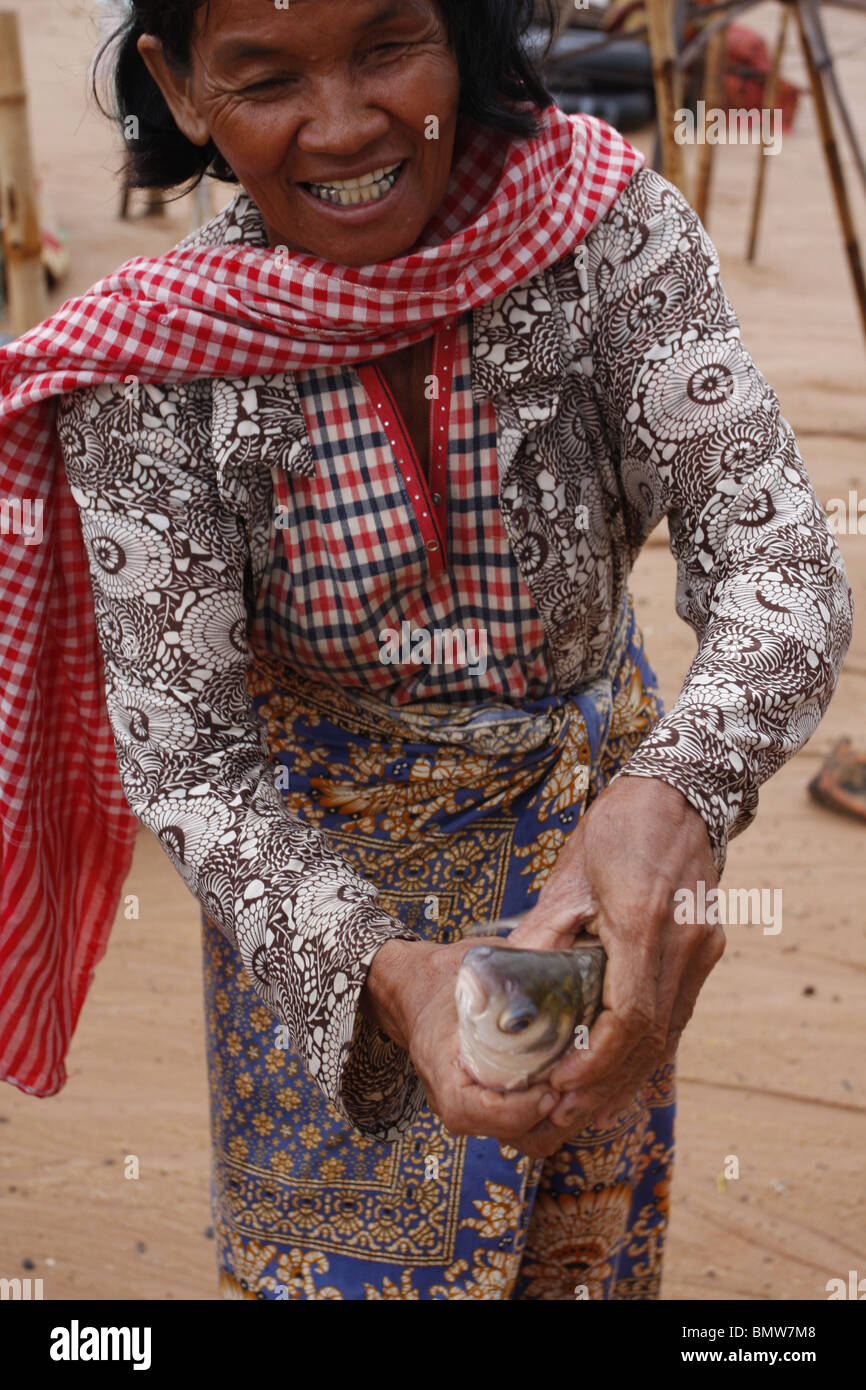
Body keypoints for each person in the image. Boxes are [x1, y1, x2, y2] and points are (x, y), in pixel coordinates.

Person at [0, 0, 852, 1300]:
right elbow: (187, 762)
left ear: (467, 30)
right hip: (324, 926)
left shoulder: (603, 230)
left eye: (389, 43)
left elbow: (777, 560)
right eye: (266, 74)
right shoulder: (152, 363)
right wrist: (382, 973)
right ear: (179, 88)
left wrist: (671, 796)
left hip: (592, 901)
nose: (343, 125)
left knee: (580, 1260)